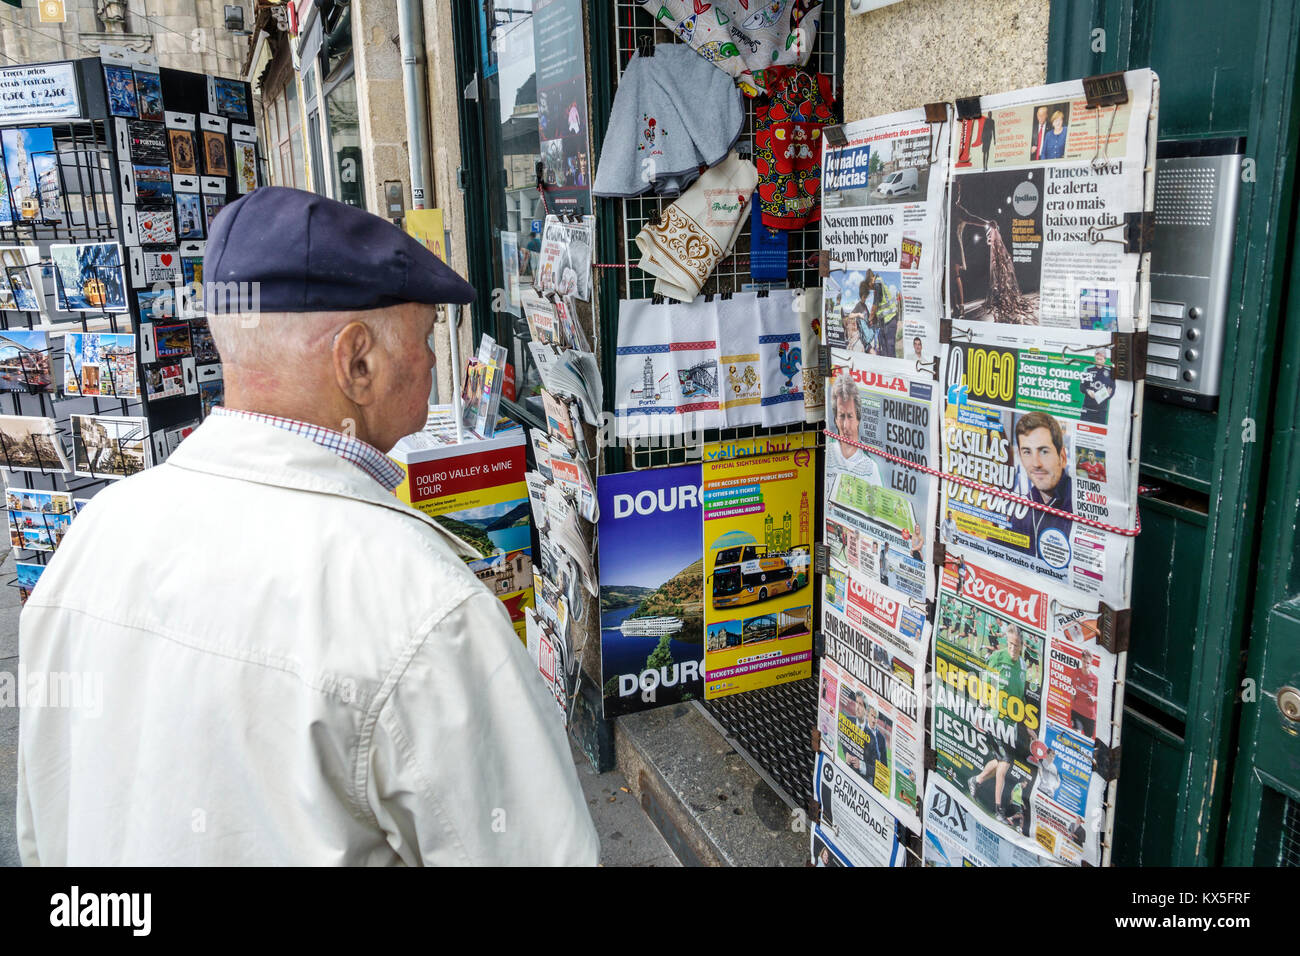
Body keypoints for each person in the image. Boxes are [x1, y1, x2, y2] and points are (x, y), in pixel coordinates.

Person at [17, 188, 599, 866]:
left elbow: (46, 816)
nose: (436, 362)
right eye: (427, 336)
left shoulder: (96, 535)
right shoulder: (418, 604)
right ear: (357, 362)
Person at [1008, 411, 1075, 557]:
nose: (1036, 464)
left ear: (1062, 457)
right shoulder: (1024, 505)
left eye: (1044, 451)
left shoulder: (1075, 503)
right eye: (1027, 452)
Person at [827, 372, 883, 484]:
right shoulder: (827, 453)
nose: (845, 426)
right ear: (835, 420)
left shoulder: (871, 468)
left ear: (858, 419)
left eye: (850, 416)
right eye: (841, 416)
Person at [1068, 652, 1099, 738]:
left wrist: (1094, 698)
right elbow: (1072, 689)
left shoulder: (1095, 679)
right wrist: (1072, 694)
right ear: (1081, 660)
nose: (1085, 664)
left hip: (1089, 715)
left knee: (1086, 740)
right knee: (1075, 736)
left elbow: (1100, 697)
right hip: (1076, 711)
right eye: (1084, 661)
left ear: (1091, 663)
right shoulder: (1075, 672)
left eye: (1088, 663)